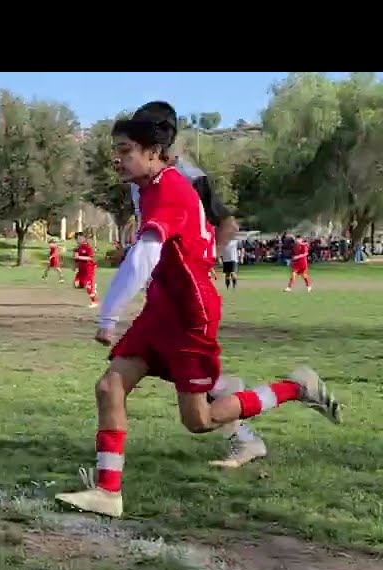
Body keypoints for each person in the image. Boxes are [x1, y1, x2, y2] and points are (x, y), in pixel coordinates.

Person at [55, 102, 342, 519]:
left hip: (190, 314)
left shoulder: (176, 185)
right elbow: (148, 249)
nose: (117, 159)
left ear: (155, 149)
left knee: (199, 420)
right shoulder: (147, 184)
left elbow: (152, 253)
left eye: (126, 150)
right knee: (109, 387)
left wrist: (110, 314)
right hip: (161, 307)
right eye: (116, 150)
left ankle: (295, 388)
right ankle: (107, 492)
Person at [107, 102, 268, 471]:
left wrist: (203, 264)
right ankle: (237, 418)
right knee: (133, 376)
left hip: (188, 293)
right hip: (164, 291)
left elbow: (227, 224)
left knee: (192, 397)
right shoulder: (143, 178)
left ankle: (248, 416)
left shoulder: (187, 177)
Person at [73, 232, 98, 307]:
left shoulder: (88, 247)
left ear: (84, 238)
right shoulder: (78, 248)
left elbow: (91, 258)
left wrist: (79, 257)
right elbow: (76, 259)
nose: (78, 240)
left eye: (79, 238)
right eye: (77, 238)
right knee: (76, 284)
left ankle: (94, 302)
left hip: (88, 269)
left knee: (88, 287)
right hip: (81, 269)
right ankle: (93, 287)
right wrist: (76, 267)